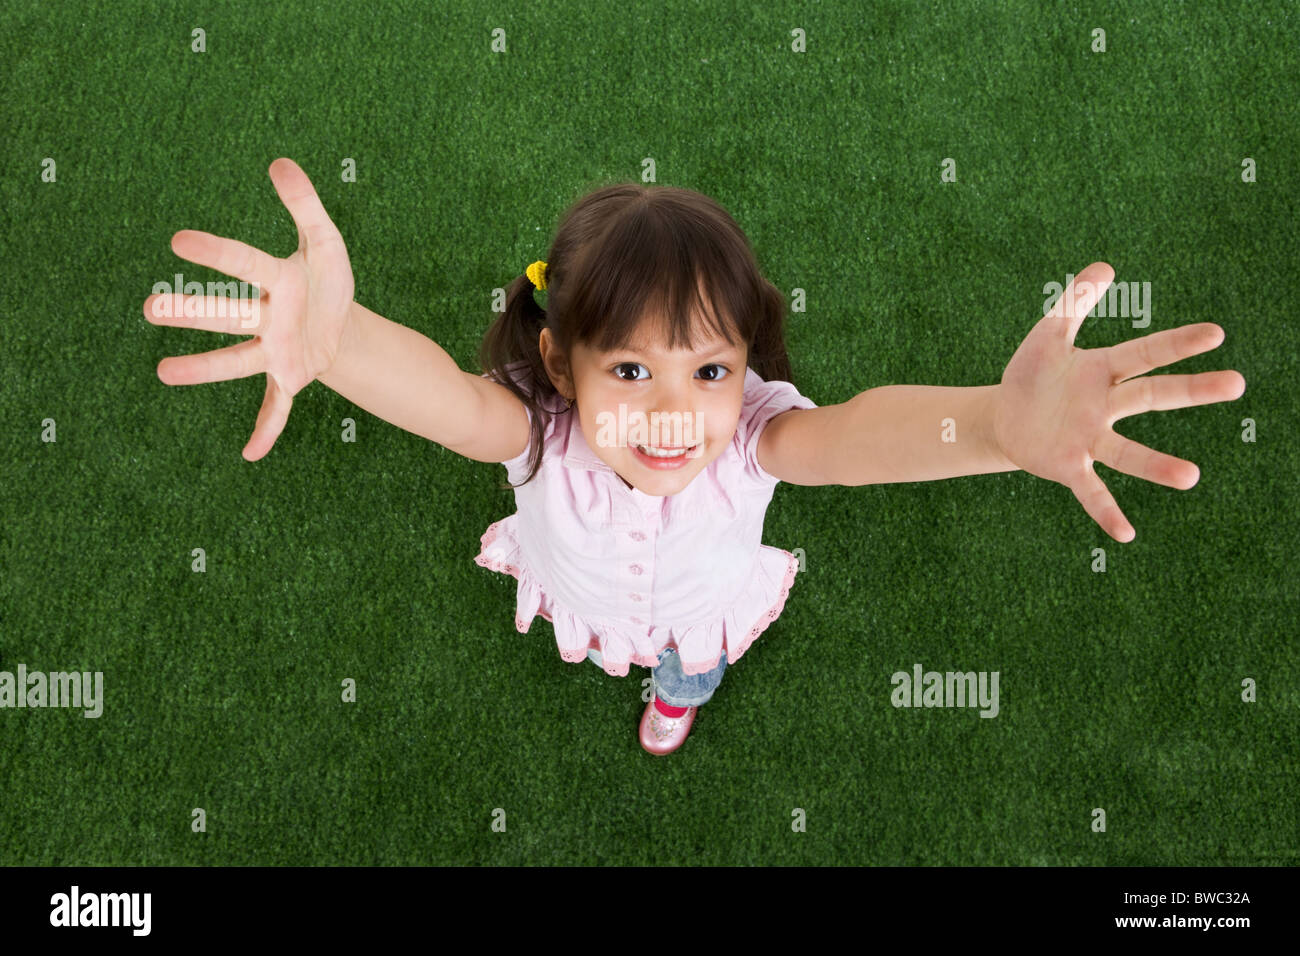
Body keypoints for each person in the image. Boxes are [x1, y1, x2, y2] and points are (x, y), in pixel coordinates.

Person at [144, 159, 1247, 756]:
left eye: (707, 371)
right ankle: (649, 668)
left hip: (701, 604)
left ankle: (676, 692)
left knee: (690, 665)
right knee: (607, 632)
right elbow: (441, 399)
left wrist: (996, 428)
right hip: (582, 586)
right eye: (630, 371)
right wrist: (339, 344)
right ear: (558, 362)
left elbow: (858, 438)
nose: (674, 414)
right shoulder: (534, 425)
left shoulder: (756, 440)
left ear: (743, 369)